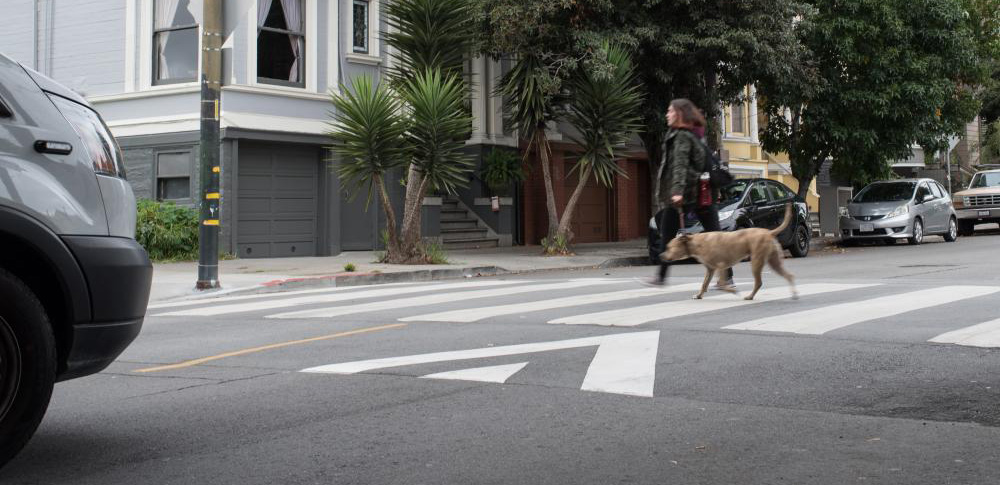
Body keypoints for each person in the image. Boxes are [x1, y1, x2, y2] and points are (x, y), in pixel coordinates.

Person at [643, 99, 735, 289]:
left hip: (687, 195)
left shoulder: (682, 137)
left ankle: (661, 277)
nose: (667, 114)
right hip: (703, 194)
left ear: (679, 114)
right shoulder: (695, 134)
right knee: (715, 237)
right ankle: (727, 277)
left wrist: (676, 191)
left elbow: (680, 165)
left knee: (668, 236)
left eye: (670, 111)